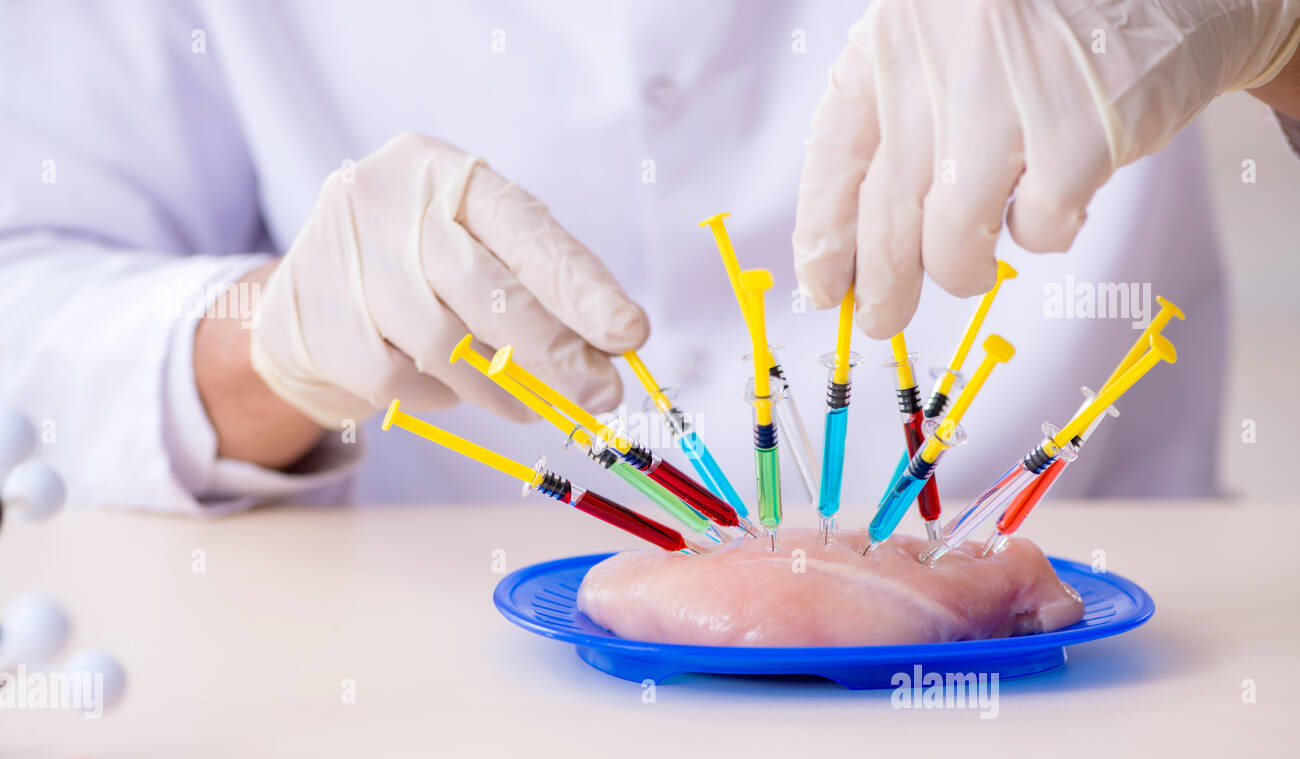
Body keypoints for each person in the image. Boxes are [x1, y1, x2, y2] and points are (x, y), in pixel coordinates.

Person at [2, 1, 1297, 516]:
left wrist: (1272, 30)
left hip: (1104, 705)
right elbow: (29, 288)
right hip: (421, 720)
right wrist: (262, 342)